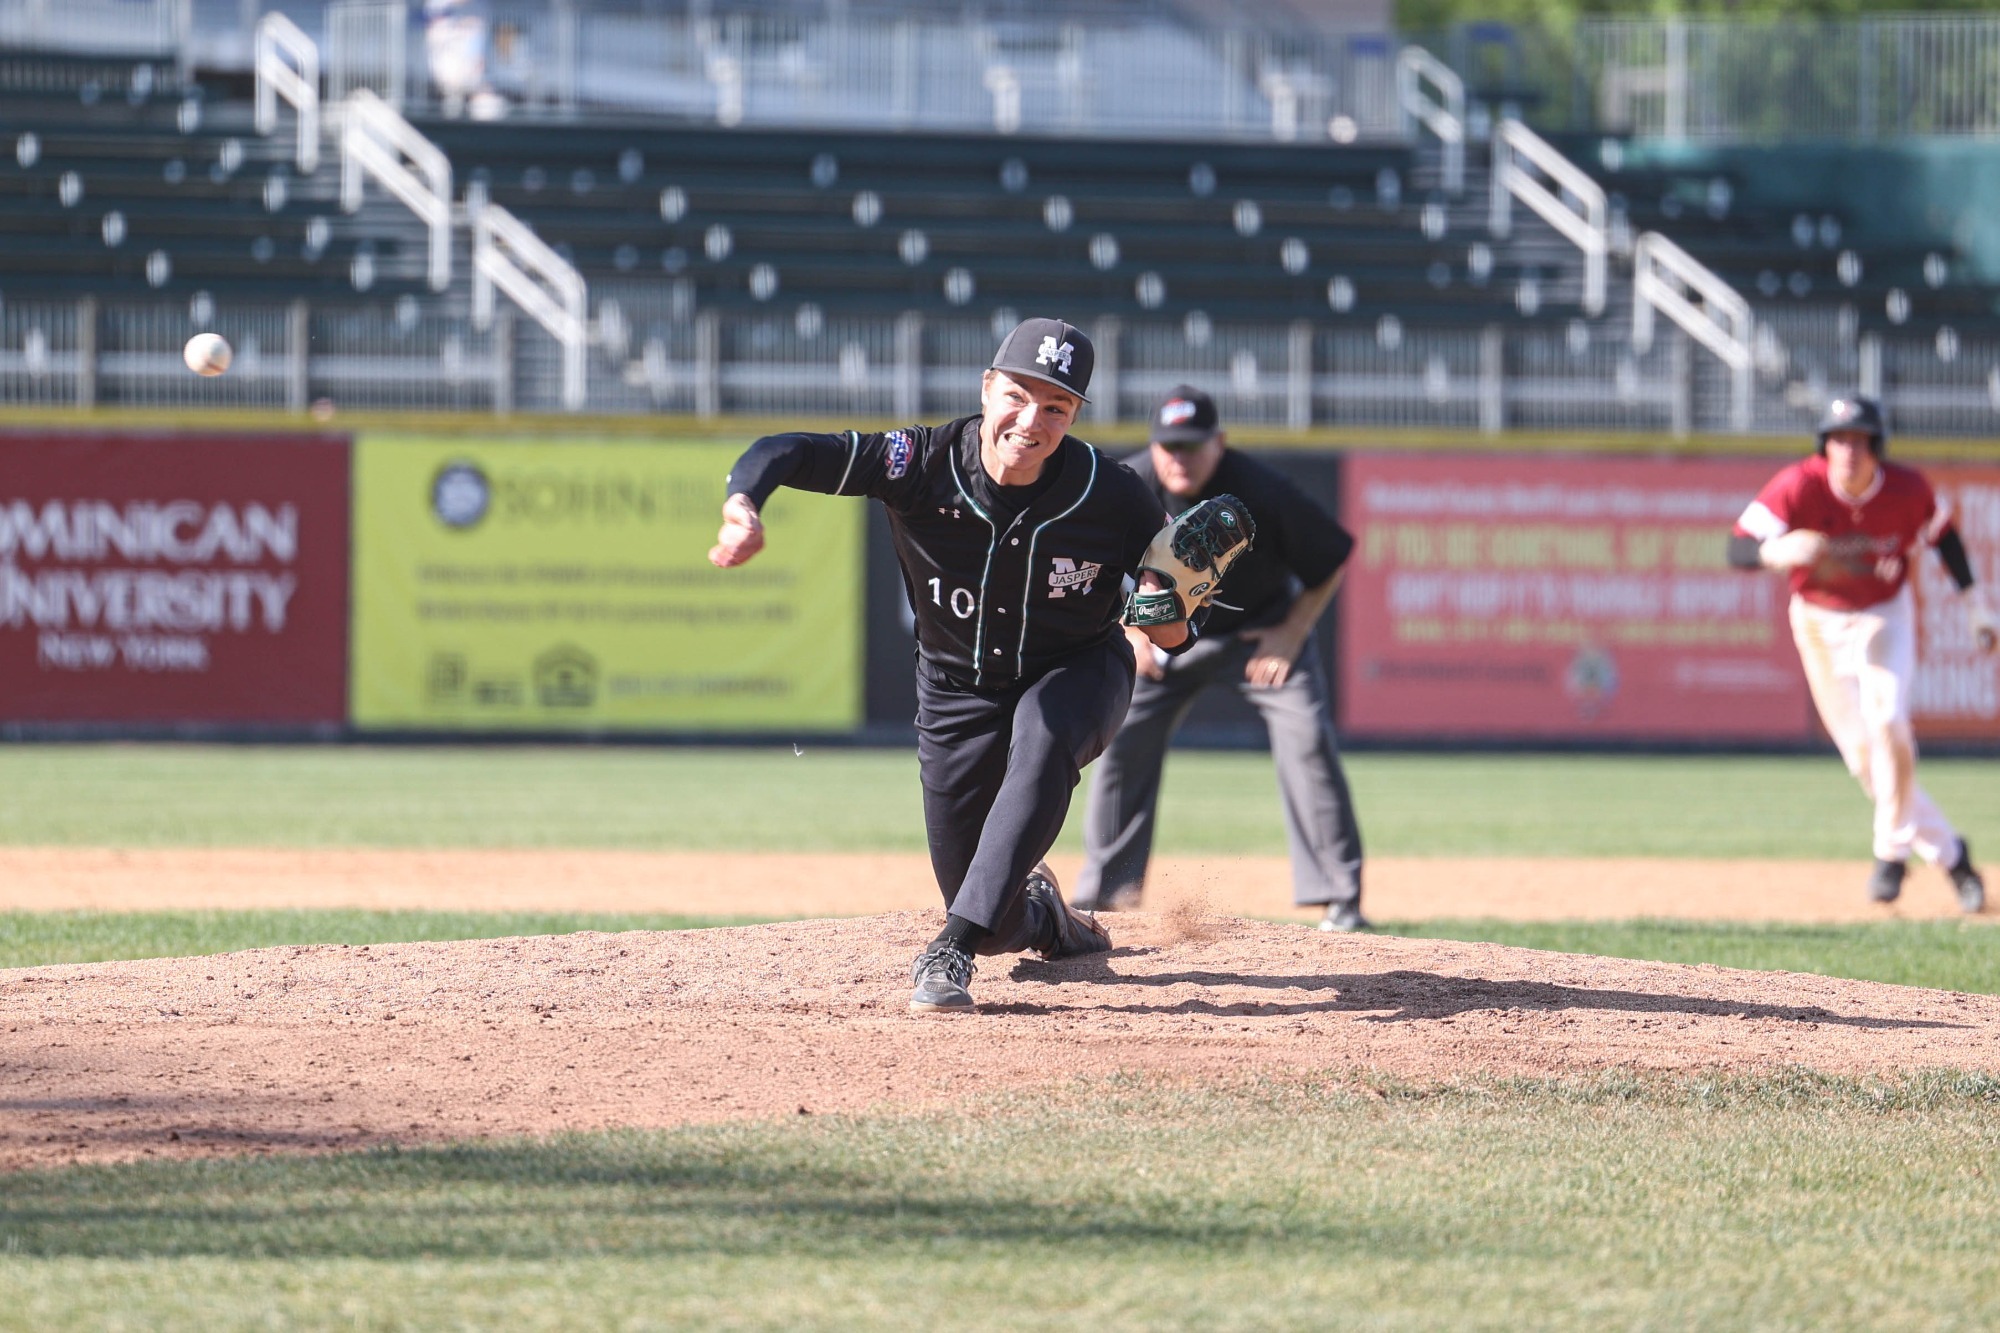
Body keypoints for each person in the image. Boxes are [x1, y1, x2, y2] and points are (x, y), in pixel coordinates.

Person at [709, 319, 1242, 1013]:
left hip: (1080, 670)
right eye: (1019, 394)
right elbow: (786, 450)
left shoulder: (1111, 494)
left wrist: (1160, 608)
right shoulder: (919, 461)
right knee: (996, 915)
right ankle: (1047, 918)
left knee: (1043, 738)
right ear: (987, 388)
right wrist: (743, 503)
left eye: (1057, 407)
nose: (1033, 419)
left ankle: (948, 948)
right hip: (956, 691)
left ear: (1075, 415)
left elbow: (1174, 633)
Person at [1074, 385, 1369, 931]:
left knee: (1307, 741)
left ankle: (1340, 901)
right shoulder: (1129, 486)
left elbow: (1331, 556)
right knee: (1118, 737)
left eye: (1191, 445)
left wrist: (1292, 632)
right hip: (1162, 639)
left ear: (1219, 443)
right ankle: (1104, 900)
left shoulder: (1262, 490)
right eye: (1168, 445)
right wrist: (1133, 635)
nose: (1178, 458)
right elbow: (1093, 569)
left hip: (1257, 638)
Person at [1729, 394, 1998, 911]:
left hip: (1884, 613)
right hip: (1817, 620)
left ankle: (1890, 850)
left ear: (1877, 447)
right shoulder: (1799, 484)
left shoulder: (1905, 488)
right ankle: (1953, 856)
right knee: (1863, 760)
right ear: (1824, 446)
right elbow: (1736, 546)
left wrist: (1974, 604)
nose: (1849, 450)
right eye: (1839, 439)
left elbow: (1944, 537)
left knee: (1890, 719)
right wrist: (1774, 551)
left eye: (1859, 440)